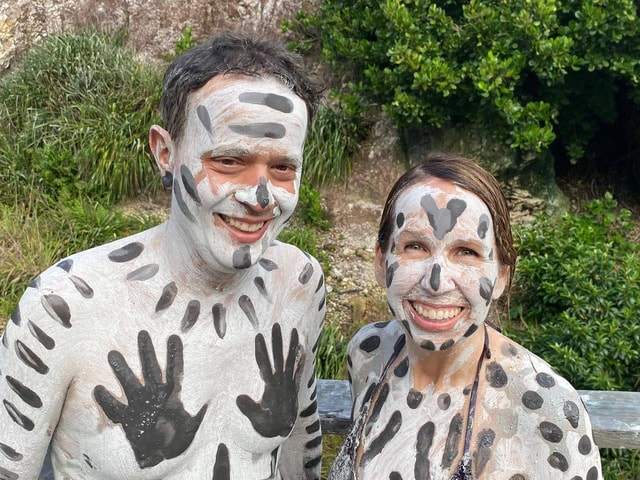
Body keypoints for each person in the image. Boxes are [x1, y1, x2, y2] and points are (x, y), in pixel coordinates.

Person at [0, 32, 326, 479]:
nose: (260, 197)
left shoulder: (299, 284)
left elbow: (300, 456)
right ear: (165, 153)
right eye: (229, 161)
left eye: (283, 168)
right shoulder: (66, 306)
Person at [329, 154, 602, 479]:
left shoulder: (547, 409)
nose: (436, 282)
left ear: (501, 276)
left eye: (467, 252)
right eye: (415, 246)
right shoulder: (369, 352)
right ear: (380, 262)